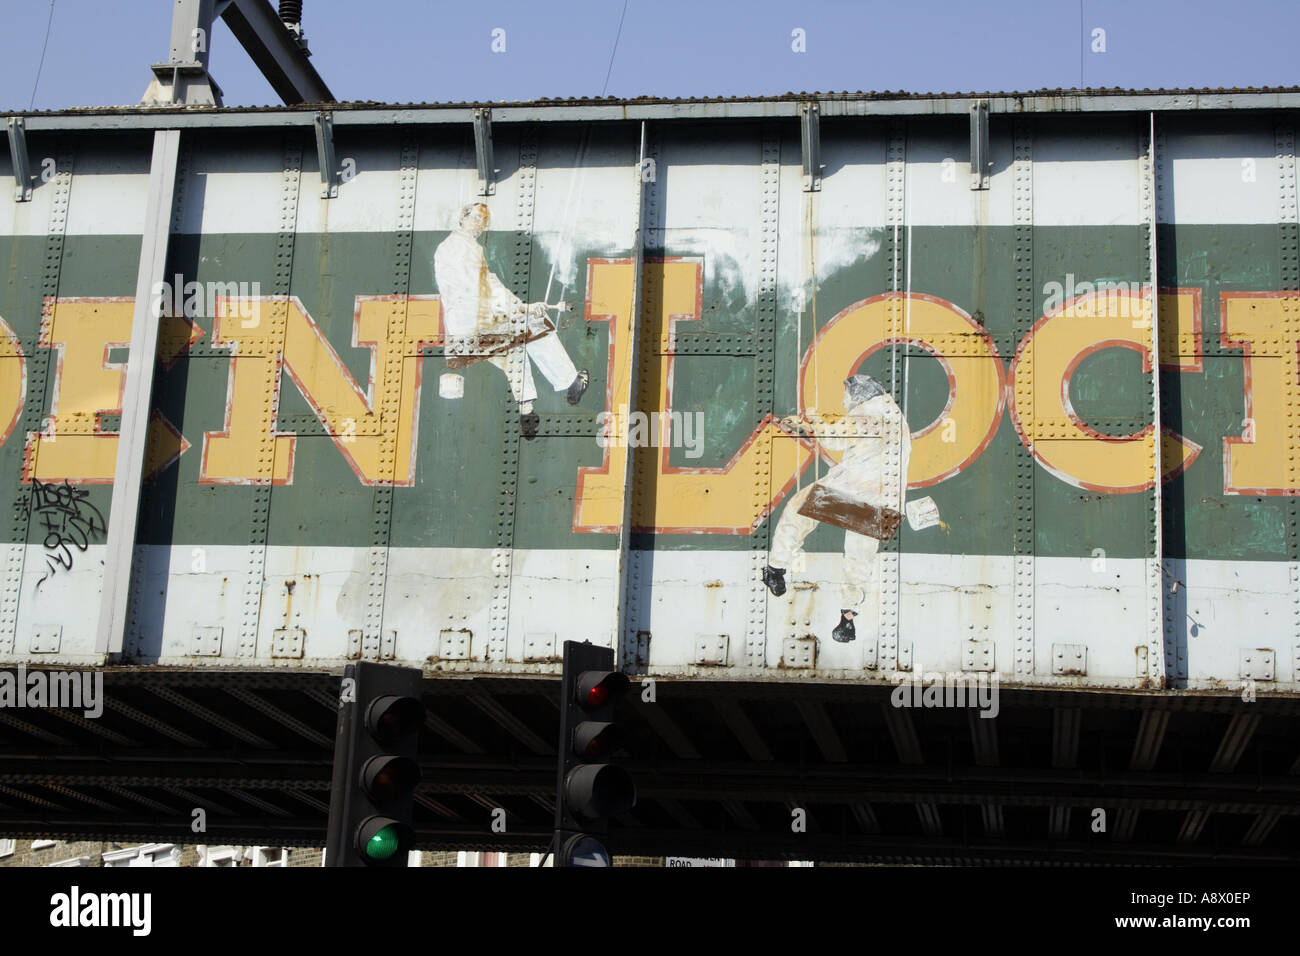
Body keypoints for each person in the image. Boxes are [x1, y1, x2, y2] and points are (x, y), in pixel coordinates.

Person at [763, 374, 911, 643]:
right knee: (859, 559)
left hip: (855, 496)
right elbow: (859, 438)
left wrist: (809, 421)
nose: (844, 400)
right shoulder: (892, 413)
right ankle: (847, 620)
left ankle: (776, 568)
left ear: (859, 394)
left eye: (846, 394)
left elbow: (836, 436)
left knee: (797, 510)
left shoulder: (871, 411)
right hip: (885, 506)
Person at [433, 202, 588, 437]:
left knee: (515, 347)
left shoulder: (461, 247)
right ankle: (569, 381)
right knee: (535, 323)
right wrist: (522, 309)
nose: (480, 224)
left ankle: (527, 410)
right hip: (474, 332)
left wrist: (520, 307)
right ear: (462, 219)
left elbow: (488, 285)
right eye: (475, 217)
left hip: (464, 340)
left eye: (483, 220)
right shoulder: (460, 249)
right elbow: (478, 290)